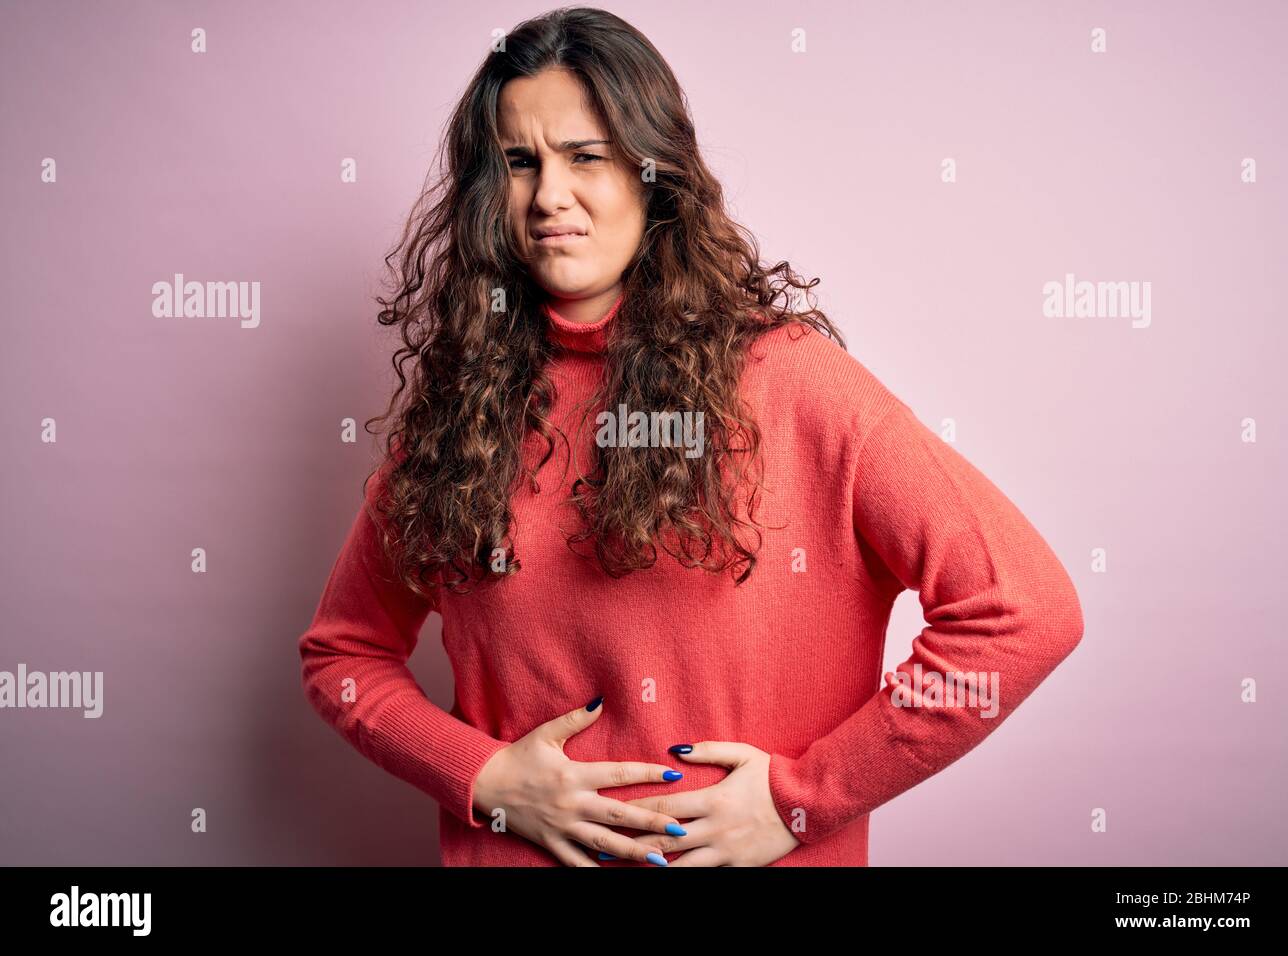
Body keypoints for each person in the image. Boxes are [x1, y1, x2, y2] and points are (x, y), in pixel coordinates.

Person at [297, 7, 1085, 867]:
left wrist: (802, 800)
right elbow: (345, 652)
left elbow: (1024, 613)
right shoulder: (462, 410)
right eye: (519, 163)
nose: (548, 195)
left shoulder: (791, 381)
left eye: (586, 156)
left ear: (653, 173)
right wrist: (481, 779)